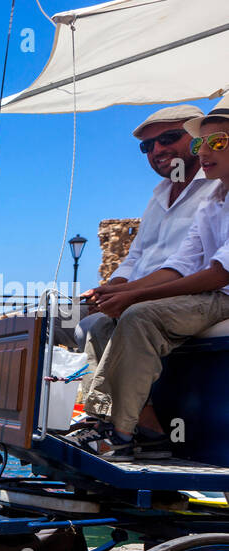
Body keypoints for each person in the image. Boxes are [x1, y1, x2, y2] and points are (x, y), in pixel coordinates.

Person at [77, 99, 229, 461]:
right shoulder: (213, 201)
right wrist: (116, 291)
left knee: (138, 317)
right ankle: (146, 431)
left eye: (216, 143)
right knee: (98, 324)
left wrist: (135, 299)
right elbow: (177, 264)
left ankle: (116, 432)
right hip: (204, 290)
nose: (205, 151)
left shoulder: (209, 192)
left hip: (218, 292)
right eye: (200, 143)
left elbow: (219, 273)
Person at [79, 105, 215, 360]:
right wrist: (109, 290)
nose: (157, 150)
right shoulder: (158, 196)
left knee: (97, 326)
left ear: (199, 140)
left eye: (168, 138)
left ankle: (128, 400)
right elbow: (135, 257)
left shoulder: (218, 189)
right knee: (51, 319)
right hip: (137, 295)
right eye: (148, 146)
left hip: (176, 296)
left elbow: (195, 266)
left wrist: (129, 295)